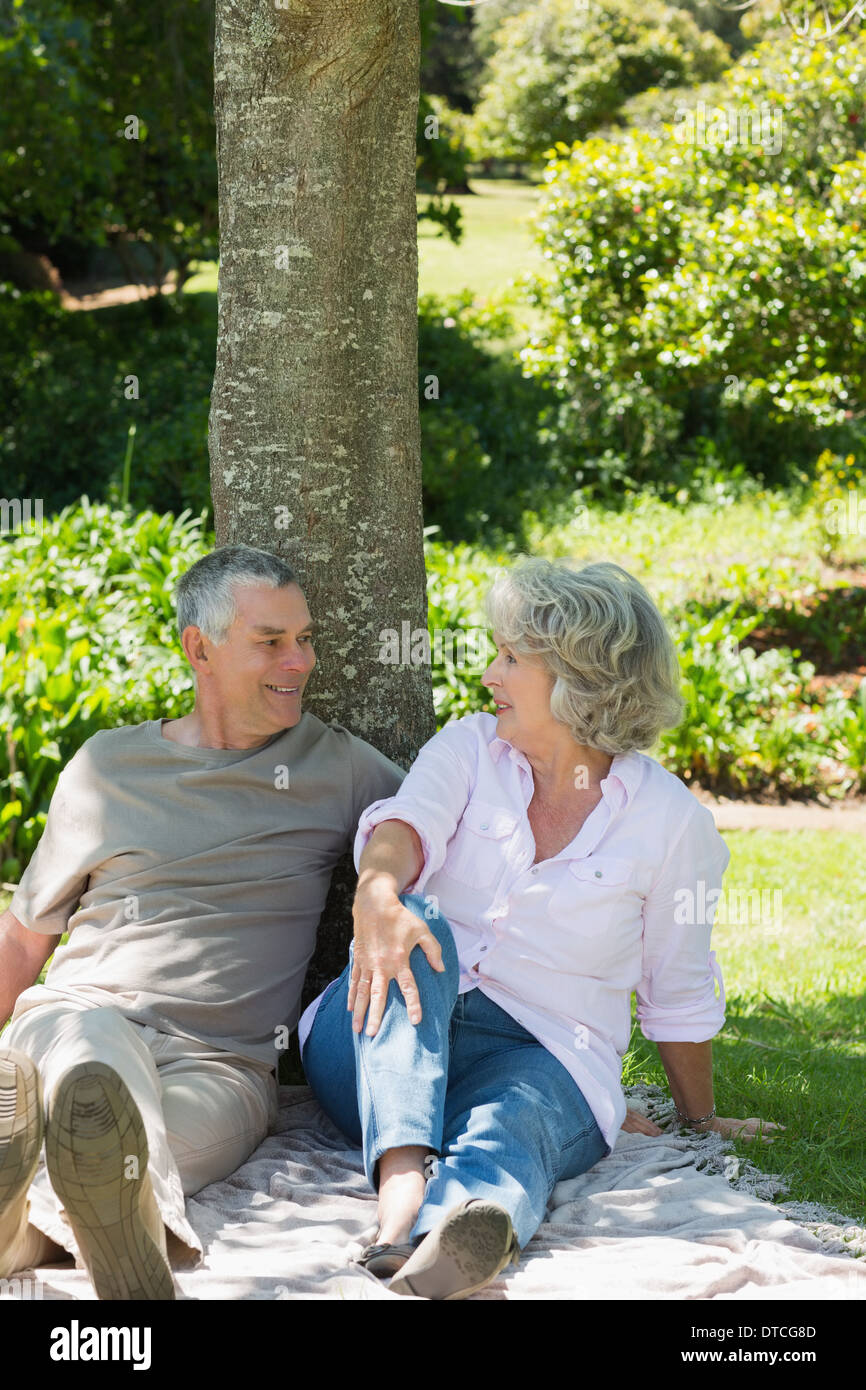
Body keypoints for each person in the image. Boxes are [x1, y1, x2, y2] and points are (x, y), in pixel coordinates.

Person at [300, 557, 782, 1300]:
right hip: (376, 1031)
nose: (490, 675)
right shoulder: (468, 748)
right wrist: (378, 889)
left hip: (545, 1054)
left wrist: (699, 1117)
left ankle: (456, 1234)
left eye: (511, 658)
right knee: (417, 916)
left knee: (520, 1118)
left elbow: (674, 987)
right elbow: (404, 826)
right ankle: (401, 1193)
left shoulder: (671, 823)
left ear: (580, 677)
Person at [0, 544, 404, 1299]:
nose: (301, 660)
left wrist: (562, 1055)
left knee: (113, 1168)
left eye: (305, 637)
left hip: (223, 1066)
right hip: (81, 1018)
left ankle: (20, 1231)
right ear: (200, 648)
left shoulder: (336, 766)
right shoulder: (107, 766)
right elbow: (25, 938)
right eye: (271, 641)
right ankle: (136, 1269)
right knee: (96, 1077)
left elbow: (442, 827)